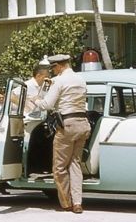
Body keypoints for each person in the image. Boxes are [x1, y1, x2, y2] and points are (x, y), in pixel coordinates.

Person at [33, 54, 90, 214]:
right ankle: (78, 202)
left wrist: (34, 100)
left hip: (67, 124)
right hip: (83, 123)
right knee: (75, 164)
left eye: (53, 68)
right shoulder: (80, 79)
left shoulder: (59, 81)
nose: (53, 71)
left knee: (59, 167)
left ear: (59, 66)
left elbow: (46, 104)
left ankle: (66, 203)